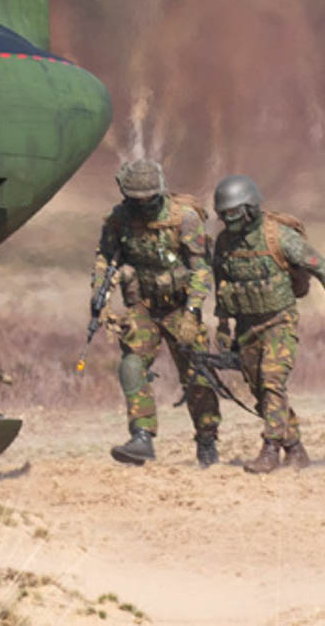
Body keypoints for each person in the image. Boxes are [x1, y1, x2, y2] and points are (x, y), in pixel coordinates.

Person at [209, 175, 325, 474]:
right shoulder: (224, 242)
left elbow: (324, 269)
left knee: (273, 381)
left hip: (279, 322)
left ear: (250, 208)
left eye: (233, 213)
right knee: (262, 393)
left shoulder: (279, 238)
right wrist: (223, 327)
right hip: (247, 327)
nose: (228, 220)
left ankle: (270, 450)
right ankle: (296, 450)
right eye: (223, 214)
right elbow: (222, 283)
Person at [91, 159, 221, 467]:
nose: (143, 204)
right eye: (137, 198)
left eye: (148, 197)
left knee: (197, 374)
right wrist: (101, 301)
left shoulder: (184, 219)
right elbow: (103, 259)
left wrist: (191, 313)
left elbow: (201, 270)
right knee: (132, 365)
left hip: (180, 307)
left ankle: (207, 439)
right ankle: (142, 437)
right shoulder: (118, 220)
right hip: (143, 307)